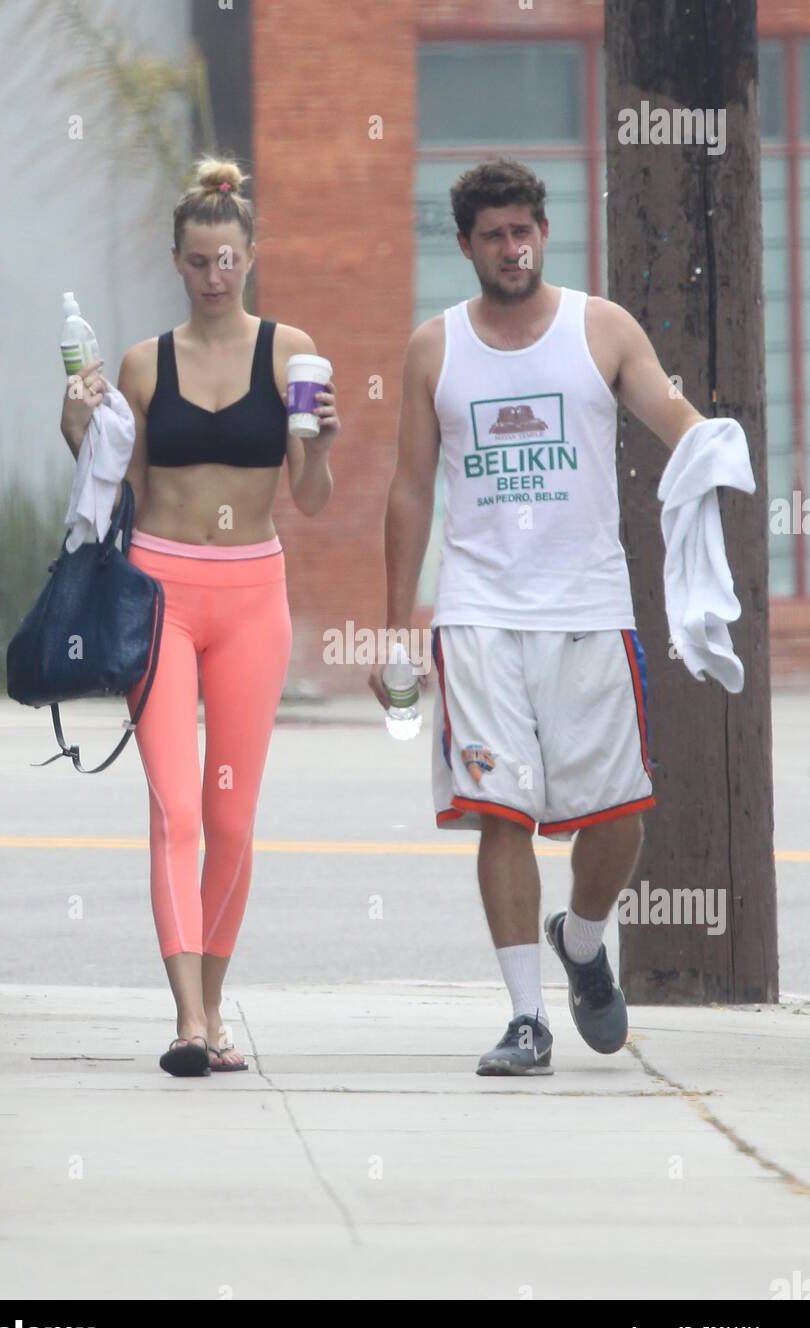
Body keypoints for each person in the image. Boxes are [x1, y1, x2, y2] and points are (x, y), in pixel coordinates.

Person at [369, 157, 704, 1076]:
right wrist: (397, 628)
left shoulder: (601, 329)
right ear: (467, 244)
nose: (511, 248)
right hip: (478, 611)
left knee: (620, 811)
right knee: (500, 811)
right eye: (493, 235)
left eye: (524, 231)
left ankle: (584, 942)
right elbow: (407, 489)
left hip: (591, 608)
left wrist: (714, 452)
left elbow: (675, 421)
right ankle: (526, 1019)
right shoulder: (434, 348)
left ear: (544, 232)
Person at [60, 155, 339, 1077]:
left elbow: (311, 496)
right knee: (176, 806)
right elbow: (109, 494)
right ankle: (187, 1020)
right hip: (161, 593)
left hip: (254, 592)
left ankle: (216, 1008)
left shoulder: (291, 351)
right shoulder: (145, 365)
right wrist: (79, 431)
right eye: (197, 261)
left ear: (251, 256)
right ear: (175, 261)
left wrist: (322, 443)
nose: (214, 277)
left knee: (230, 817)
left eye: (228, 259)